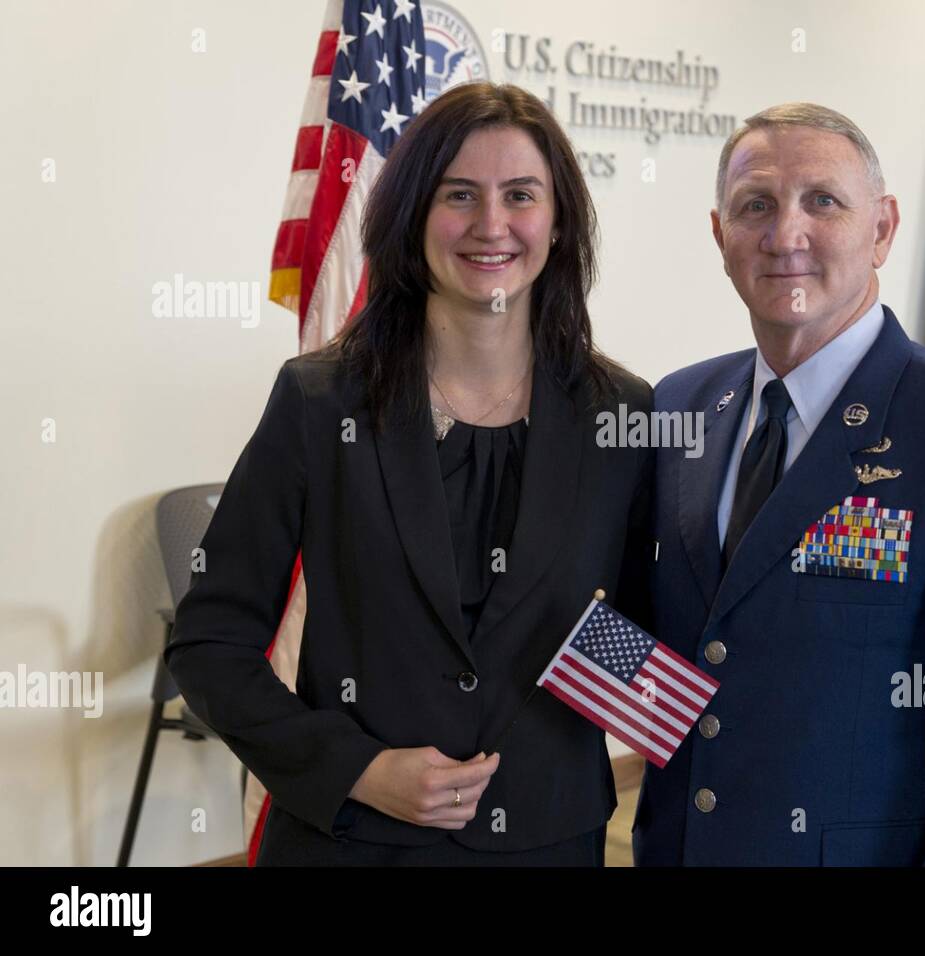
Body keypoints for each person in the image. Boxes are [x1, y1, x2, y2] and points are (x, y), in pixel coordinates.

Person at [165, 82, 653, 866]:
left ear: (558, 223)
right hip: (354, 837)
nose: (491, 225)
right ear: (414, 217)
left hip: (547, 839)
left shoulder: (623, 413)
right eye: (459, 195)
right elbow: (209, 641)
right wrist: (355, 768)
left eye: (520, 195)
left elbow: (641, 626)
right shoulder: (320, 401)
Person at [631, 103, 925, 866]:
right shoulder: (678, 406)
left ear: (881, 229)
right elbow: (666, 645)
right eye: (756, 206)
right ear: (721, 237)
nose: (786, 235)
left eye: (823, 201)